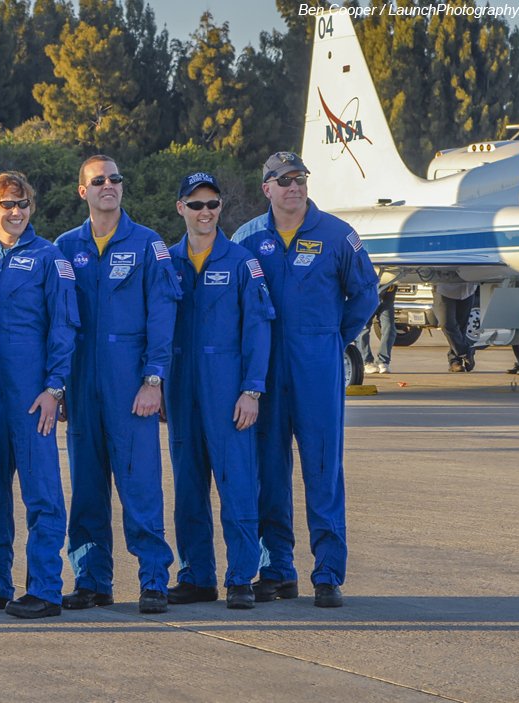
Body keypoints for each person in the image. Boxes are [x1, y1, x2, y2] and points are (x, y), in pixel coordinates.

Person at [233, 151, 378, 608]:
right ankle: (277, 569)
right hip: (265, 372)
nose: (294, 187)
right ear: (267, 188)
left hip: (317, 366)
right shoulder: (247, 239)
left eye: (300, 179)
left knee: (322, 469)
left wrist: (334, 337)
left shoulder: (337, 235)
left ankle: (328, 572)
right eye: (284, 180)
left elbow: (365, 293)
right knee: (268, 473)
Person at [54, 155, 181, 614]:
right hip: (83, 385)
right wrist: (59, 384)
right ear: (82, 191)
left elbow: (162, 318)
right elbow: (57, 321)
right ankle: (91, 580)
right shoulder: (65, 248)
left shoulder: (149, 245)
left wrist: (154, 379)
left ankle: (152, 579)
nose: (109, 185)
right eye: (99, 180)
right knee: (86, 489)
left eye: (116, 177)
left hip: (131, 385)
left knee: (141, 485)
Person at [0, 172, 79, 619]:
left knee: (42, 491)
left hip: (31, 394)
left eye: (23, 204)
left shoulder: (49, 258)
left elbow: (64, 327)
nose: (17, 212)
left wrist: (53, 387)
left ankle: (44, 586)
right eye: (7, 205)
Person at [164, 172, 274, 610]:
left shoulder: (242, 262)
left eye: (212, 204)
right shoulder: (166, 262)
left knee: (237, 483)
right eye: (196, 205)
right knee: (188, 486)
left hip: (228, 388)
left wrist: (252, 389)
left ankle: (241, 576)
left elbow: (259, 328)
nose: (205, 212)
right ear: (181, 209)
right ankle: (196, 576)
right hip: (181, 390)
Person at [434, 282, 478, 372]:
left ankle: (455, 361)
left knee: (461, 327)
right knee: (446, 323)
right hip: (443, 287)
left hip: (467, 288)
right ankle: (465, 351)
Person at [358, 283, 396, 374]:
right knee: (364, 328)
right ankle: (366, 362)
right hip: (368, 294)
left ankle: (383, 361)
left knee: (389, 327)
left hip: (387, 294)